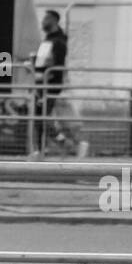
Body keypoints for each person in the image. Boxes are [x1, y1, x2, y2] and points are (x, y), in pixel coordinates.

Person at [32, 9, 84, 157]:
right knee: (41, 119)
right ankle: (44, 149)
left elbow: (55, 65)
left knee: (42, 119)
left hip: (50, 86)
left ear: (54, 21)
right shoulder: (49, 40)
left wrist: (47, 76)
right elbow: (43, 62)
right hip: (42, 85)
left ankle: (69, 144)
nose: (43, 22)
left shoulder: (58, 42)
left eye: (46, 19)